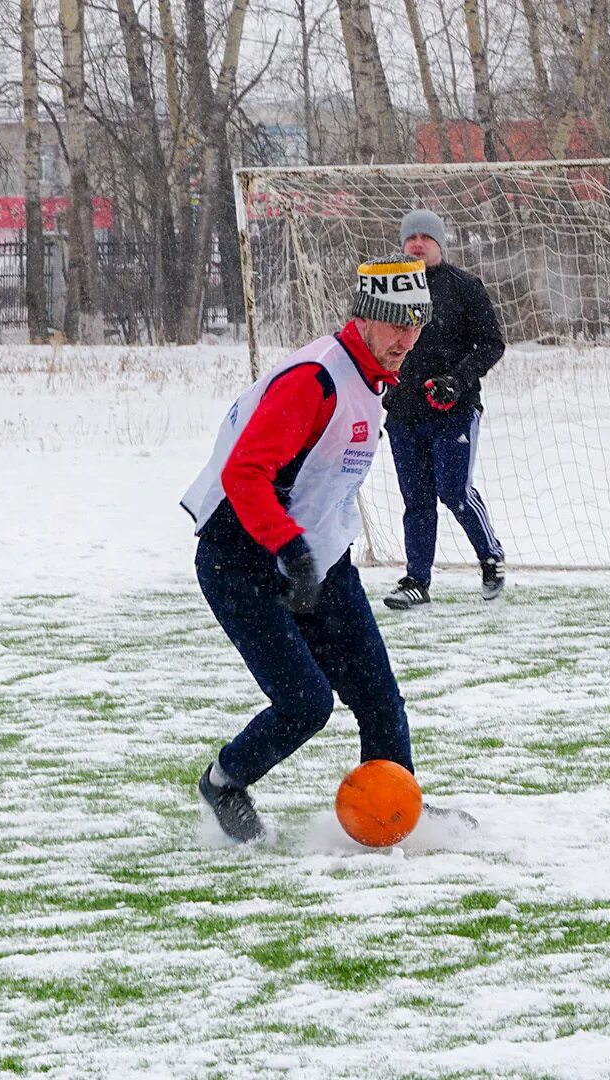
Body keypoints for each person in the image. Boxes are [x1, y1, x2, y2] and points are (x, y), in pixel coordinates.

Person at [180, 253, 433, 844]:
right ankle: (223, 782)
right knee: (305, 702)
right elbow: (246, 473)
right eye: (396, 323)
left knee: (379, 699)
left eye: (416, 324)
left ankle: (396, 815)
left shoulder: (373, 379)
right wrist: (288, 548)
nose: (407, 338)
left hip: (317, 559)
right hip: (239, 562)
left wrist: (309, 554)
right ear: (364, 319)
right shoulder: (315, 380)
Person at [380, 209, 508, 610]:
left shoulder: (465, 287)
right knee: (416, 500)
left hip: (453, 410)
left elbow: (492, 344)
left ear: (440, 243)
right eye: (411, 236)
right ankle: (417, 579)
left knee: (454, 492)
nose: (417, 243)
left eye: (426, 237)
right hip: (403, 414)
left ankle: (490, 557)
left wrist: (457, 380)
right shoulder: (388, 288)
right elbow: (370, 340)